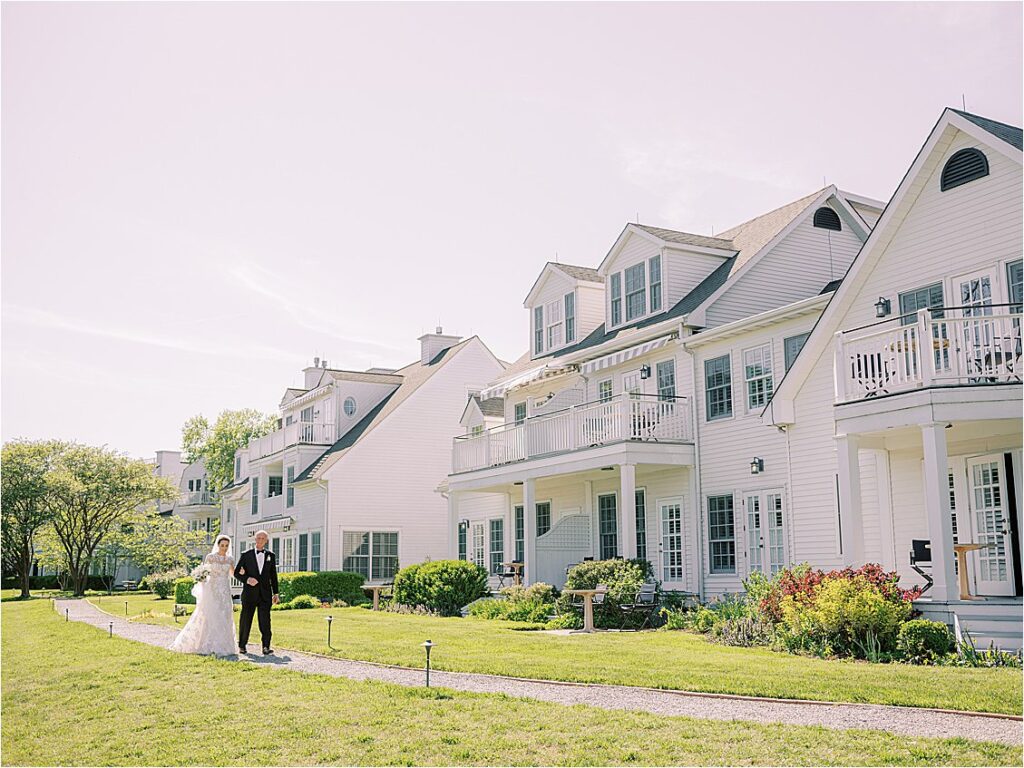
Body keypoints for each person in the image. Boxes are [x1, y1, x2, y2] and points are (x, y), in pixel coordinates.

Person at [169, 535, 237, 657]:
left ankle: (225, 645)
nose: (224, 548)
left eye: (226, 546)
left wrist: (242, 572)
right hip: (212, 589)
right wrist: (200, 577)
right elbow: (204, 571)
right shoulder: (210, 557)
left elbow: (232, 573)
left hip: (225, 590)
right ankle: (208, 644)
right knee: (211, 614)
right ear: (218, 545)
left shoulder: (230, 559)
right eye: (222, 545)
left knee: (225, 614)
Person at [234, 529, 279, 655]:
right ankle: (242, 646)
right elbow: (236, 573)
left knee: (265, 621)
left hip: (265, 594)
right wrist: (247, 579)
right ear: (255, 539)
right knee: (245, 620)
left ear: (266, 541)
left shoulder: (271, 555)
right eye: (258, 538)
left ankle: (266, 646)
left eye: (263, 539)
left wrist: (276, 593)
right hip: (249, 594)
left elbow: (273, 576)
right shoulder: (246, 555)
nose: (260, 540)